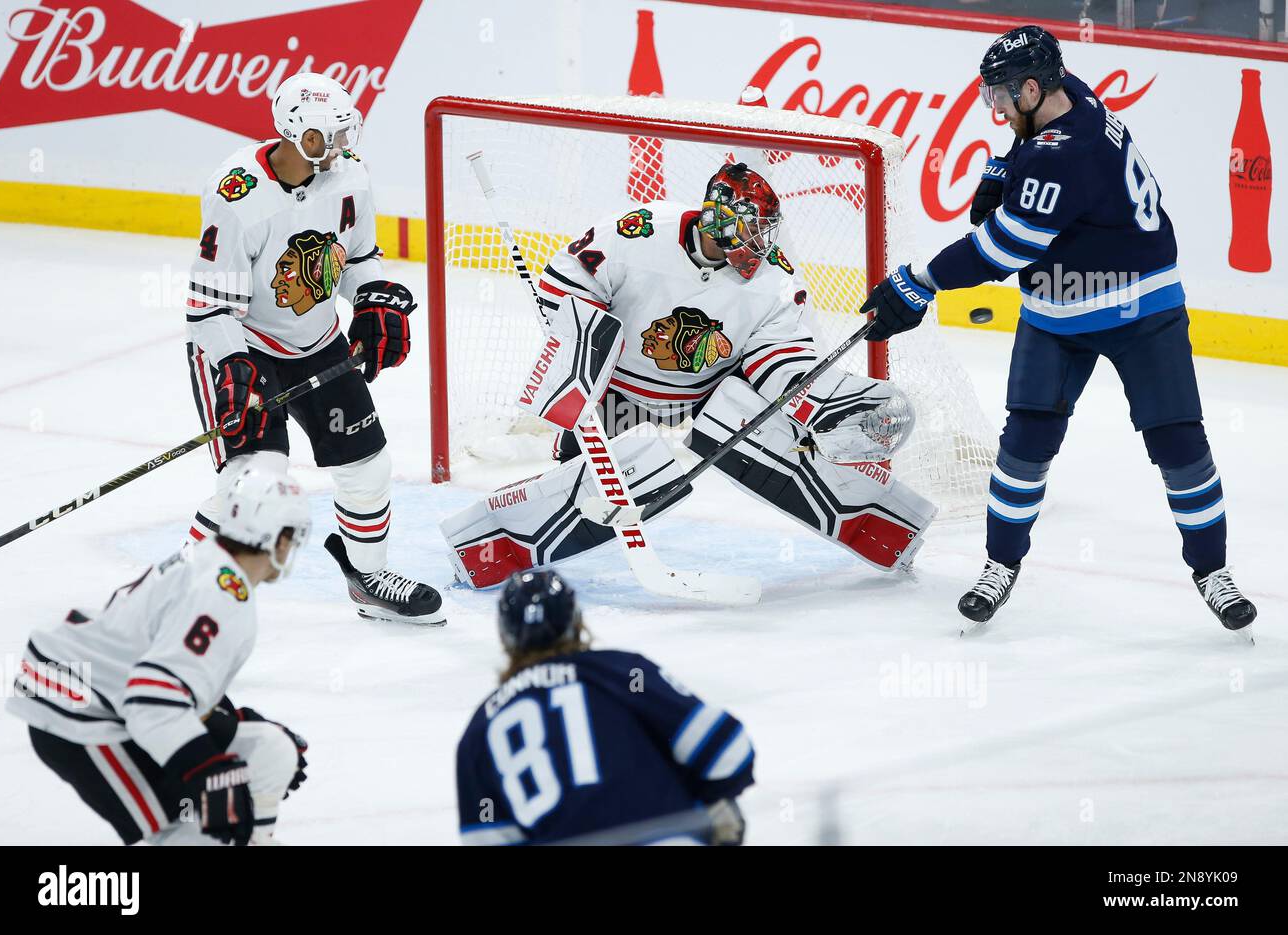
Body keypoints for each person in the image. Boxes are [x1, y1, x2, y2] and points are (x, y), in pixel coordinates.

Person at [859, 25, 1256, 633]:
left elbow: (1002, 249)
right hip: (1056, 313)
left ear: (1032, 88)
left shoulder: (1068, 152)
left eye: (1000, 95)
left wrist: (917, 282)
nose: (993, 107)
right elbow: (1026, 181)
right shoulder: (1070, 94)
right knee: (1024, 448)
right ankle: (999, 567)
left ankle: (1213, 572)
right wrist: (1005, 167)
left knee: (1178, 446)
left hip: (1140, 312)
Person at [440, 163, 937, 588]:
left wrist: (823, 404)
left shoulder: (776, 280)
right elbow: (566, 284)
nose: (761, 245)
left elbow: (781, 362)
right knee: (618, 476)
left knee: (748, 422)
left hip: (706, 394)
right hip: (616, 395)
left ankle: (884, 526)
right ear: (718, 222)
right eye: (751, 232)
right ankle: (488, 547)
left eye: (767, 231)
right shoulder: (639, 230)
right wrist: (579, 356)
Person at [184, 71, 443, 625]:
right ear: (294, 132)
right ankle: (185, 597)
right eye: (327, 138)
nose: (340, 149)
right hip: (245, 347)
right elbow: (209, 310)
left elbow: (358, 259)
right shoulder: (237, 196)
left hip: (319, 341)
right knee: (253, 480)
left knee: (369, 467)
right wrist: (235, 366)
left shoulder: (350, 176)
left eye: (346, 135)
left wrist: (374, 301)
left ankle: (369, 577)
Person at [7, 469, 313, 845]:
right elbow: (151, 699)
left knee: (269, 749)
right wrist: (207, 767)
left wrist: (232, 722)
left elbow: (168, 672)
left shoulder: (207, 560)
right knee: (189, 823)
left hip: (99, 694)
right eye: (293, 536)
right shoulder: (221, 595)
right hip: (78, 712)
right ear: (277, 538)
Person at [455, 570, 755, 845]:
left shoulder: (480, 730)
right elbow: (728, 751)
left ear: (505, 636)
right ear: (576, 622)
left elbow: (485, 839)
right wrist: (702, 800)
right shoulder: (620, 672)